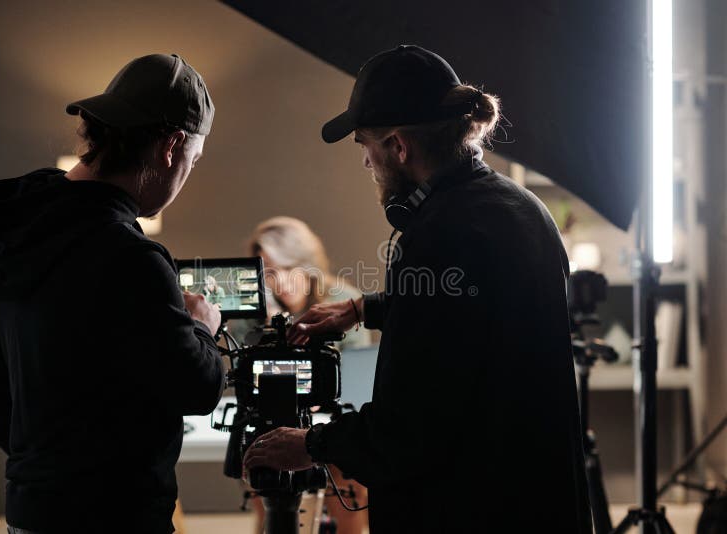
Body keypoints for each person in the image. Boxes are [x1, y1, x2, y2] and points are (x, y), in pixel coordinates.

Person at [243, 45, 592, 533]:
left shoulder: (437, 235)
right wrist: (364, 308)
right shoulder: (519, 207)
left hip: (469, 507)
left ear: (398, 146)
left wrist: (310, 444)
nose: (366, 162)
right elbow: (478, 307)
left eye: (365, 144)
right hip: (533, 498)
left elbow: (409, 425)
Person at [0, 54, 224, 534]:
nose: (187, 176)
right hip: (116, 514)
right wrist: (203, 326)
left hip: (31, 508)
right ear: (171, 147)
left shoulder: (12, 228)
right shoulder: (132, 258)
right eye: (194, 160)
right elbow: (199, 388)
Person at [242, 216, 370, 534]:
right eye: (269, 272)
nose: (280, 281)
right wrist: (268, 332)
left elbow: (350, 381)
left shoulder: (343, 304)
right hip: (274, 422)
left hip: (335, 425)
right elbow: (246, 373)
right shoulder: (254, 314)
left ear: (308, 264)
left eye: (288, 268)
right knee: (266, 496)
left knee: (348, 505)